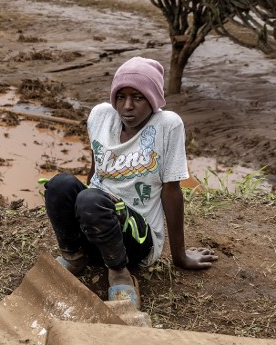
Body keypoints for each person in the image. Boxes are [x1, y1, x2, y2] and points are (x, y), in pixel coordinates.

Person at [43, 56, 217, 308]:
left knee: (91, 199)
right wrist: (85, 212)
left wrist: (180, 256)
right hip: (96, 224)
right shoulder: (101, 115)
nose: (127, 106)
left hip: (137, 241)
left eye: (138, 97)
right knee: (60, 185)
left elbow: (171, 191)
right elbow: (95, 171)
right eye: (120, 97)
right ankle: (75, 255)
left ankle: (119, 272)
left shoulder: (167, 125)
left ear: (153, 100)